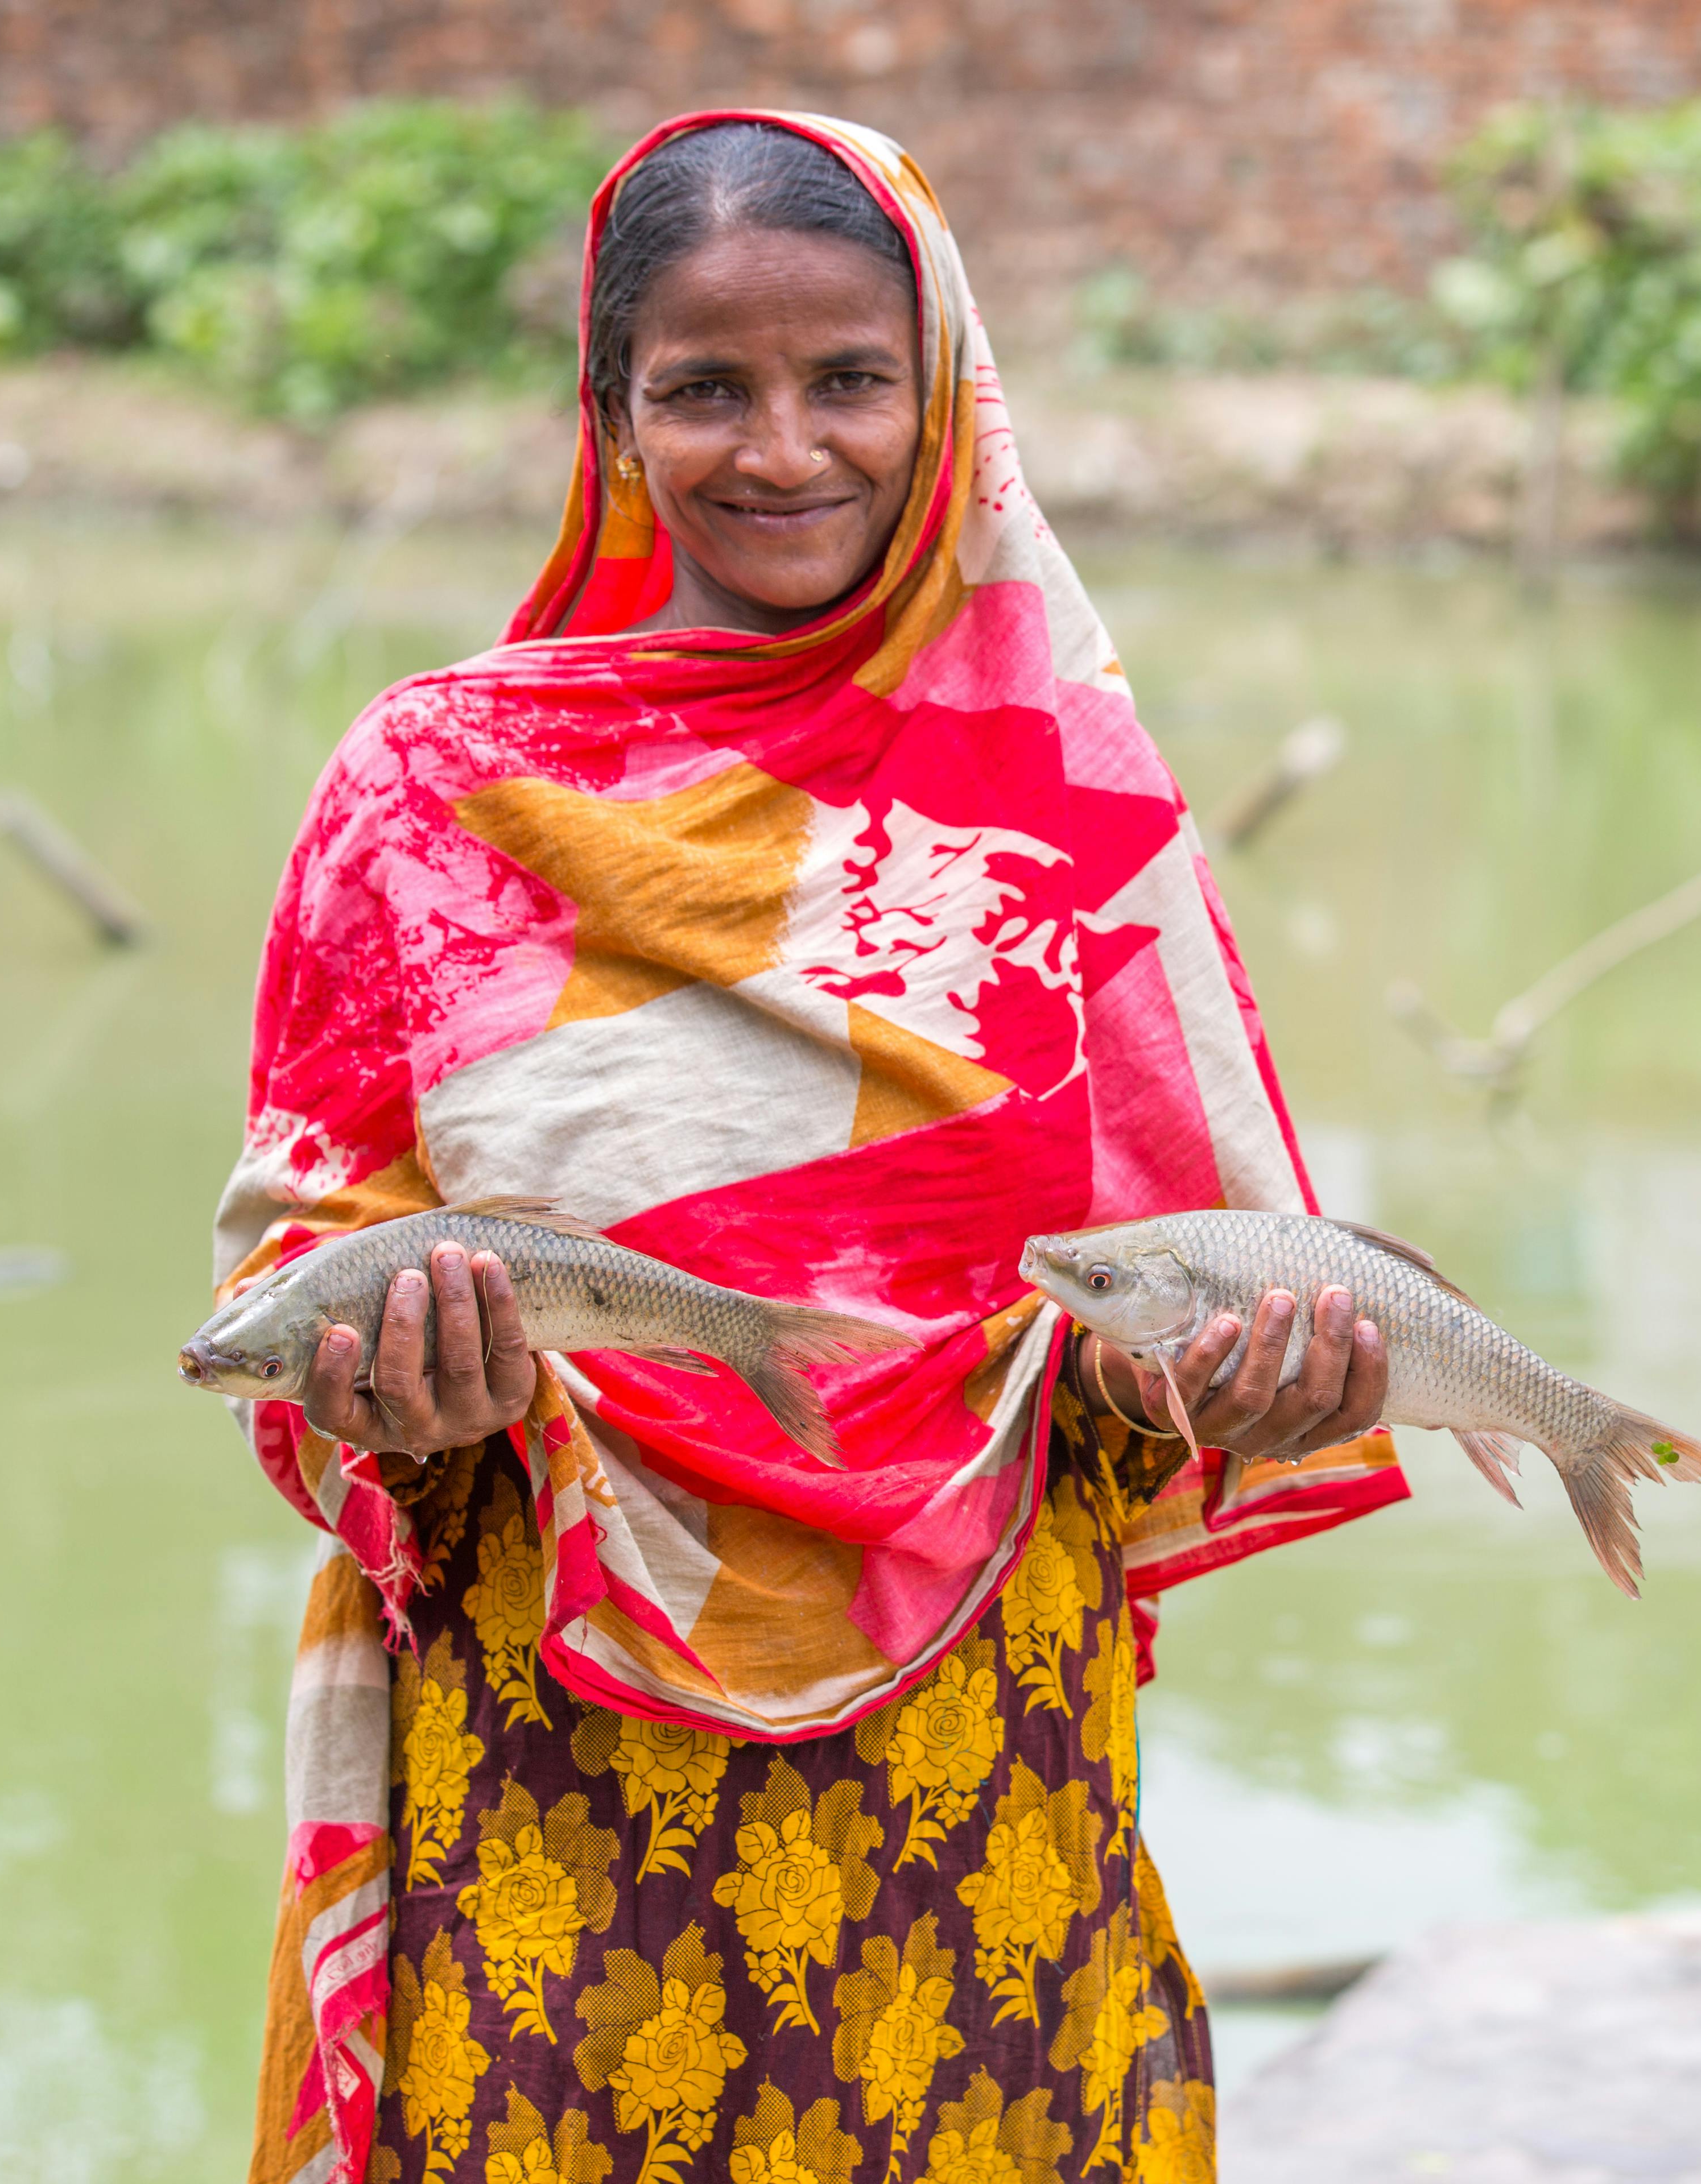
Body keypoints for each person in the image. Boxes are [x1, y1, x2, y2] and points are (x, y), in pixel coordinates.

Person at [212, 114, 1409, 2184]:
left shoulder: (1056, 791)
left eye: (849, 379)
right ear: (611, 416)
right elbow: (300, 1271)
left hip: (976, 1784)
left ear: (944, 397)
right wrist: (400, 1392)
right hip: (563, 1776)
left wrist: (1229, 1378)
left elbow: (1142, 1304)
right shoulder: (437, 786)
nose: (784, 450)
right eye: (706, 390)